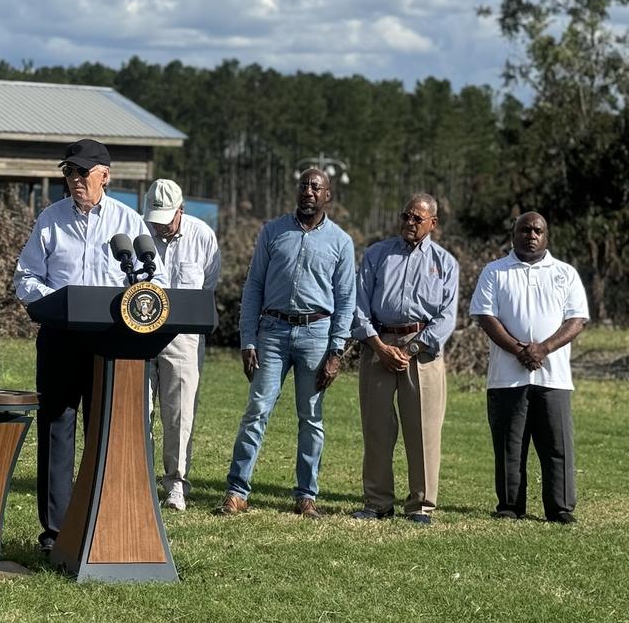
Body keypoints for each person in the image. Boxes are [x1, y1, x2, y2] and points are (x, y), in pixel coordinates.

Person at [14, 139, 167, 553]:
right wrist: (55, 302)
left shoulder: (128, 221)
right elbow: (25, 277)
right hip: (60, 336)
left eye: (83, 172)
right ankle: (56, 532)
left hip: (112, 342)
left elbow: (155, 284)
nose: (75, 180)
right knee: (56, 429)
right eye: (69, 172)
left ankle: (104, 522)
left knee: (105, 431)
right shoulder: (50, 218)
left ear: (105, 175)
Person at [216, 168, 355, 518]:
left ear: (328, 196)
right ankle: (237, 491)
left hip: (316, 336)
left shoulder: (340, 242)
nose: (308, 191)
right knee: (256, 412)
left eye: (316, 187)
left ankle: (306, 495)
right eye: (303, 185)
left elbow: (346, 300)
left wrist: (336, 351)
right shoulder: (273, 231)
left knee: (311, 418)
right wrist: (248, 339)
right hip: (272, 333)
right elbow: (253, 287)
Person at [469, 212, 589, 523]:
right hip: (506, 378)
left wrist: (543, 349)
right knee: (510, 445)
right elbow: (485, 316)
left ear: (546, 236)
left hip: (554, 377)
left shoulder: (565, 273)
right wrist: (520, 350)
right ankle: (510, 506)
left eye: (537, 230)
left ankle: (560, 508)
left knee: (556, 445)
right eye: (524, 230)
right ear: (514, 234)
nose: (531, 235)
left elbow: (576, 320)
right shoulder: (495, 272)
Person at [350, 194, 458, 525]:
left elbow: (447, 315)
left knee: (423, 428)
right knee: (377, 428)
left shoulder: (445, 263)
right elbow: (358, 303)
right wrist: (380, 346)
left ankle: (421, 505)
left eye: (417, 219)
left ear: (433, 223)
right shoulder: (377, 254)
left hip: (421, 350)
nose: (409, 224)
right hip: (379, 344)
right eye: (406, 217)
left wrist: (411, 349)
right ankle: (377, 502)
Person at [143, 178, 221, 511]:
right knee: (137, 411)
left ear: (181, 211)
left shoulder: (204, 236)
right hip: (141, 333)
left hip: (184, 337)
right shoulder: (138, 232)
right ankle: (140, 478)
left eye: (165, 219)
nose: (158, 227)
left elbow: (209, 285)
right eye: (154, 219)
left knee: (179, 413)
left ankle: (175, 483)